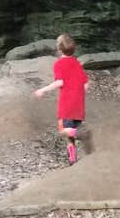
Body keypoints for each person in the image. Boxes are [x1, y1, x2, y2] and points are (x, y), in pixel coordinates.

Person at [34, 33, 90, 164]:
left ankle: (78, 135)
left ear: (59, 49)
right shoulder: (77, 63)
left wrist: (43, 90)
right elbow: (86, 84)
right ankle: (72, 159)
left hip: (67, 104)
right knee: (70, 134)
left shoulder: (59, 64)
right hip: (78, 104)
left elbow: (60, 82)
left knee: (63, 130)